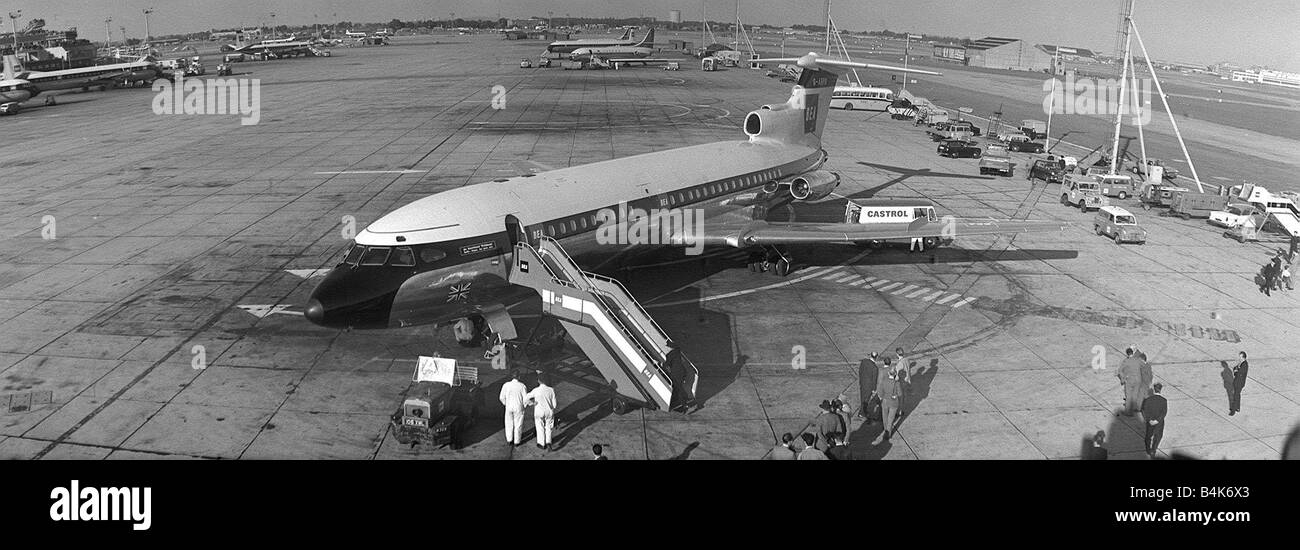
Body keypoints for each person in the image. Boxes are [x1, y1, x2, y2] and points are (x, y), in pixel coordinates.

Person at [526, 374, 558, 451]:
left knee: (540, 426)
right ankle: (548, 442)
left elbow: (526, 398)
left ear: (538, 381)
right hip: (549, 411)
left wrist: (532, 403)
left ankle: (541, 444)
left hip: (539, 411)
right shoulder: (551, 390)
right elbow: (554, 405)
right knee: (549, 427)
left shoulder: (536, 390)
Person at [499, 370, 529, 446]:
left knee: (508, 423)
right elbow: (525, 399)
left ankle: (509, 439)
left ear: (512, 376)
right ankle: (517, 441)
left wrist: (506, 404)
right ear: (519, 376)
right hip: (518, 407)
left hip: (509, 407)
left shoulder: (506, 385)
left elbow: (502, 397)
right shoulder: (522, 386)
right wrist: (524, 406)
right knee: (518, 424)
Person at [665, 340, 696, 413]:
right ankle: (683, 403)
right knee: (679, 388)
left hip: (676, 374)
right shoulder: (678, 352)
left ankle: (685, 405)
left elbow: (666, 365)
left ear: (670, 348)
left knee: (679, 389)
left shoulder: (670, 354)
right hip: (682, 372)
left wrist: (660, 364)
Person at [1141, 383, 1168, 459]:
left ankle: (1148, 450)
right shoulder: (1164, 400)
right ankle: (1153, 449)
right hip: (1159, 423)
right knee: (1158, 436)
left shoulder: (1148, 400)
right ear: (1160, 389)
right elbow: (1164, 412)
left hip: (1150, 422)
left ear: (1154, 389)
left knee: (1148, 436)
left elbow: (1144, 410)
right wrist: (1157, 420)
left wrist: (1149, 419)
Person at [1117, 347, 1145, 416]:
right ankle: (1134, 409)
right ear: (1133, 353)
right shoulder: (1138, 360)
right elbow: (1143, 366)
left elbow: (1120, 371)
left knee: (1128, 396)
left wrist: (1123, 379)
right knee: (1135, 395)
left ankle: (1127, 412)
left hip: (1130, 380)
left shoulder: (1126, 361)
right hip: (1138, 380)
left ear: (1127, 354)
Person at [878, 370, 901, 440]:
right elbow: (900, 394)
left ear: (888, 373)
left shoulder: (884, 381)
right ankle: (888, 433)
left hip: (885, 401)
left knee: (885, 416)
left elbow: (880, 392)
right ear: (895, 374)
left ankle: (885, 429)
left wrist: (881, 397)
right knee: (890, 418)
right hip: (893, 402)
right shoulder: (897, 383)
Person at [857, 352, 881, 419]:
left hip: (862, 383)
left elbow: (860, 372)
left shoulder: (864, 362)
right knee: (866, 400)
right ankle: (862, 413)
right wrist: (874, 389)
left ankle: (862, 411)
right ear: (876, 357)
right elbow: (874, 380)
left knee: (862, 398)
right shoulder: (875, 368)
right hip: (869, 387)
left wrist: (861, 381)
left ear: (870, 355)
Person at [893, 347, 912, 415]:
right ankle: (901, 409)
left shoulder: (900, 363)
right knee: (903, 396)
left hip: (902, 381)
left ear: (897, 354)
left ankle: (899, 411)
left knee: (900, 397)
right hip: (907, 380)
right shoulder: (907, 360)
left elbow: (898, 376)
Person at [1230, 351, 1249, 416]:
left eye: (1240, 357)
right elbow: (1235, 368)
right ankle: (1237, 407)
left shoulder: (1244, 365)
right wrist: (1236, 369)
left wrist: (1236, 371)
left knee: (1235, 395)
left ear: (1243, 357)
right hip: (1237, 382)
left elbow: (1238, 373)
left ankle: (1233, 411)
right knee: (1237, 394)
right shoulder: (1241, 363)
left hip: (1239, 383)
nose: (1239, 358)